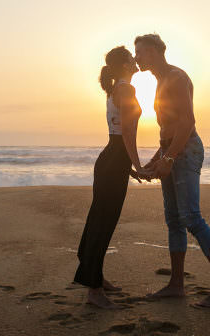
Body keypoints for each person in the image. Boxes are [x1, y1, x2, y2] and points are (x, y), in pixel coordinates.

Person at [136, 33, 210, 308]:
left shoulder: (177, 78)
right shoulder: (160, 81)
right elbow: (167, 131)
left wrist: (168, 159)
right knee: (174, 221)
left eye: (140, 52)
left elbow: (187, 122)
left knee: (191, 218)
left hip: (187, 150)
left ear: (155, 51)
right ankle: (176, 285)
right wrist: (154, 161)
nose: (136, 58)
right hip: (173, 150)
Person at [74, 45, 145, 309]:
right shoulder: (125, 89)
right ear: (126, 64)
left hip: (113, 158)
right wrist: (138, 165)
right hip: (115, 158)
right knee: (103, 222)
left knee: (100, 219)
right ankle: (93, 290)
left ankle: (97, 277)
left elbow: (120, 134)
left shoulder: (118, 87)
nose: (136, 59)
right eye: (131, 57)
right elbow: (127, 133)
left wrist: (129, 165)